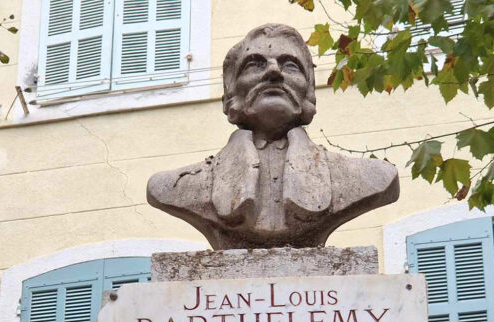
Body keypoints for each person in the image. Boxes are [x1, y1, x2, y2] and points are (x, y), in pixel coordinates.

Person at [147, 23, 400, 250]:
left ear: (309, 89)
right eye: (255, 64)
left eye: (290, 65)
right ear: (229, 91)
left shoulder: (367, 178)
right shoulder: (177, 187)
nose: (273, 72)